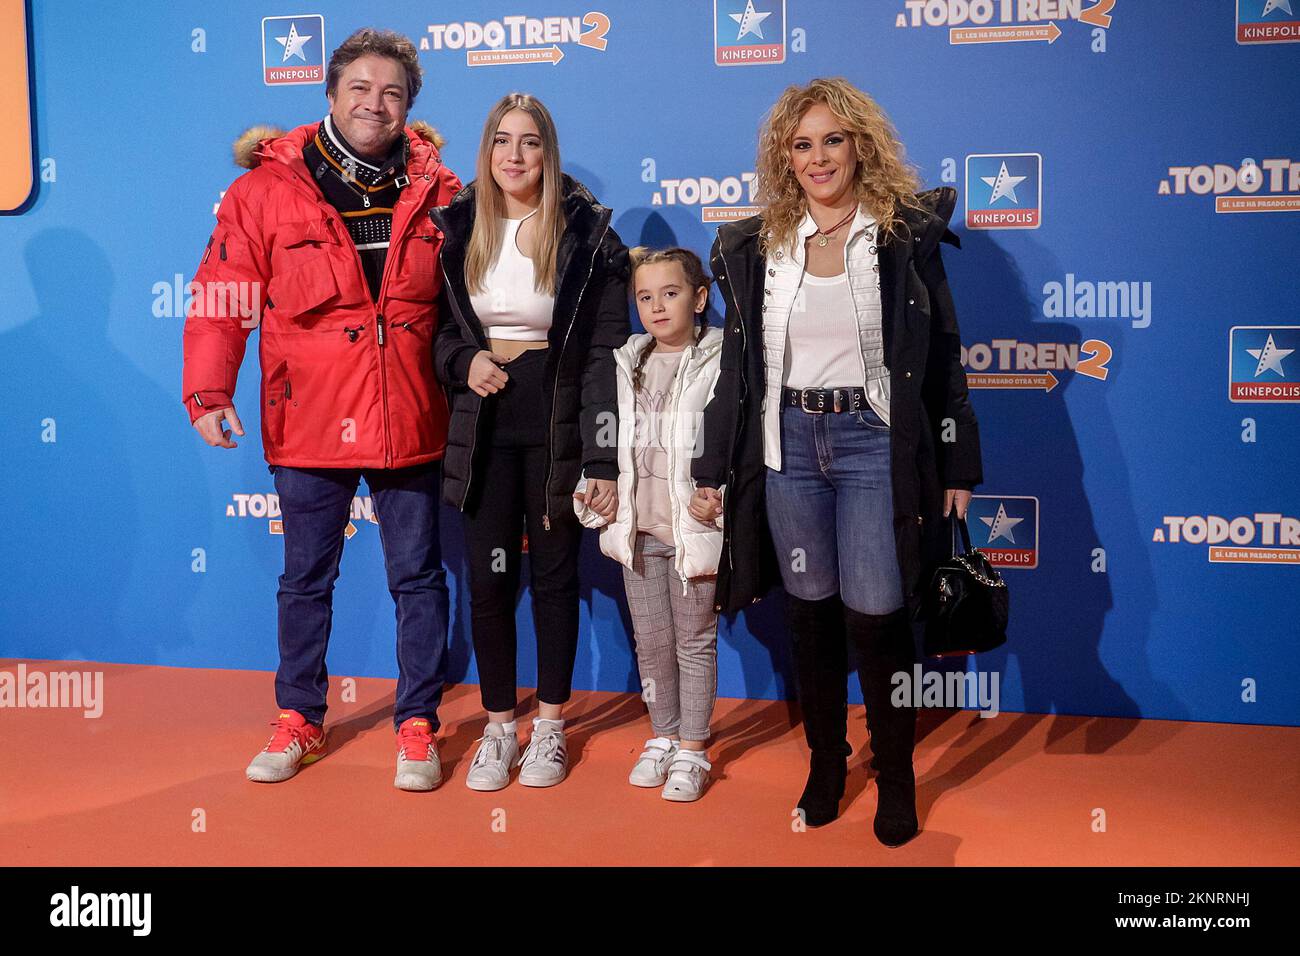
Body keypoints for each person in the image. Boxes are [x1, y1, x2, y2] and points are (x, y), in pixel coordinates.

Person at [690, 77, 983, 845]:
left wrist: (958, 466)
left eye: (832, 140)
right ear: (784, 158)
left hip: (872, 445)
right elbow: (739, 371)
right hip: (787, 446)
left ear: (860, 146)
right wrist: (708, 470)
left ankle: (895, 773)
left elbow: (945, 359)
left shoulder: (902, 236)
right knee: (811, 618)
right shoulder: (758, 246)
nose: (818, 157)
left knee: (881, 617)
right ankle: (826, 762)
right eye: (802, 144)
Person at [181, 28, 463, 791]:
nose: (376, 104)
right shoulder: (263, 191)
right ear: (331, 96)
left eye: (393, 92)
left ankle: (416, 724)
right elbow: (222, 298)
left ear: (410, 106)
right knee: (305, 579)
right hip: (308, 418)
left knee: (419, 578)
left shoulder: (442, 189)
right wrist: (208, 390)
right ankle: (300, 717)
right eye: (361, 89)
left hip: (411, 415)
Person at [431, 93, 630, 791]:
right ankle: (496, 727)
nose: (515, 156)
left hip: (558, 425)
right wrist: (465, 363)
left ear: (549, 152)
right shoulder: (455, 228)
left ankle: (549, 726)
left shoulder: (588, 235)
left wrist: (602, 455)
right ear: (486, 152)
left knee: (554, 579)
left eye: (530, 143)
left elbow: (609, 352)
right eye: (502, 142)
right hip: (483, 426)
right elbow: (439, 337)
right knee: (488, 584)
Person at [574, 247, 723, 802]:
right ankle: (662, 736)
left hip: (691, 533)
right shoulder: (624, 361)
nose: (657, 307)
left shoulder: (721, 359)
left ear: (699, 297)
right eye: (644, 297)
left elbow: (732, 442)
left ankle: (694, 748)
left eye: (670, 293)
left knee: (693, 641)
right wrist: (596, 492)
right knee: (652, 643)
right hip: (637, 533)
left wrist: (721, 497)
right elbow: (605, 441)